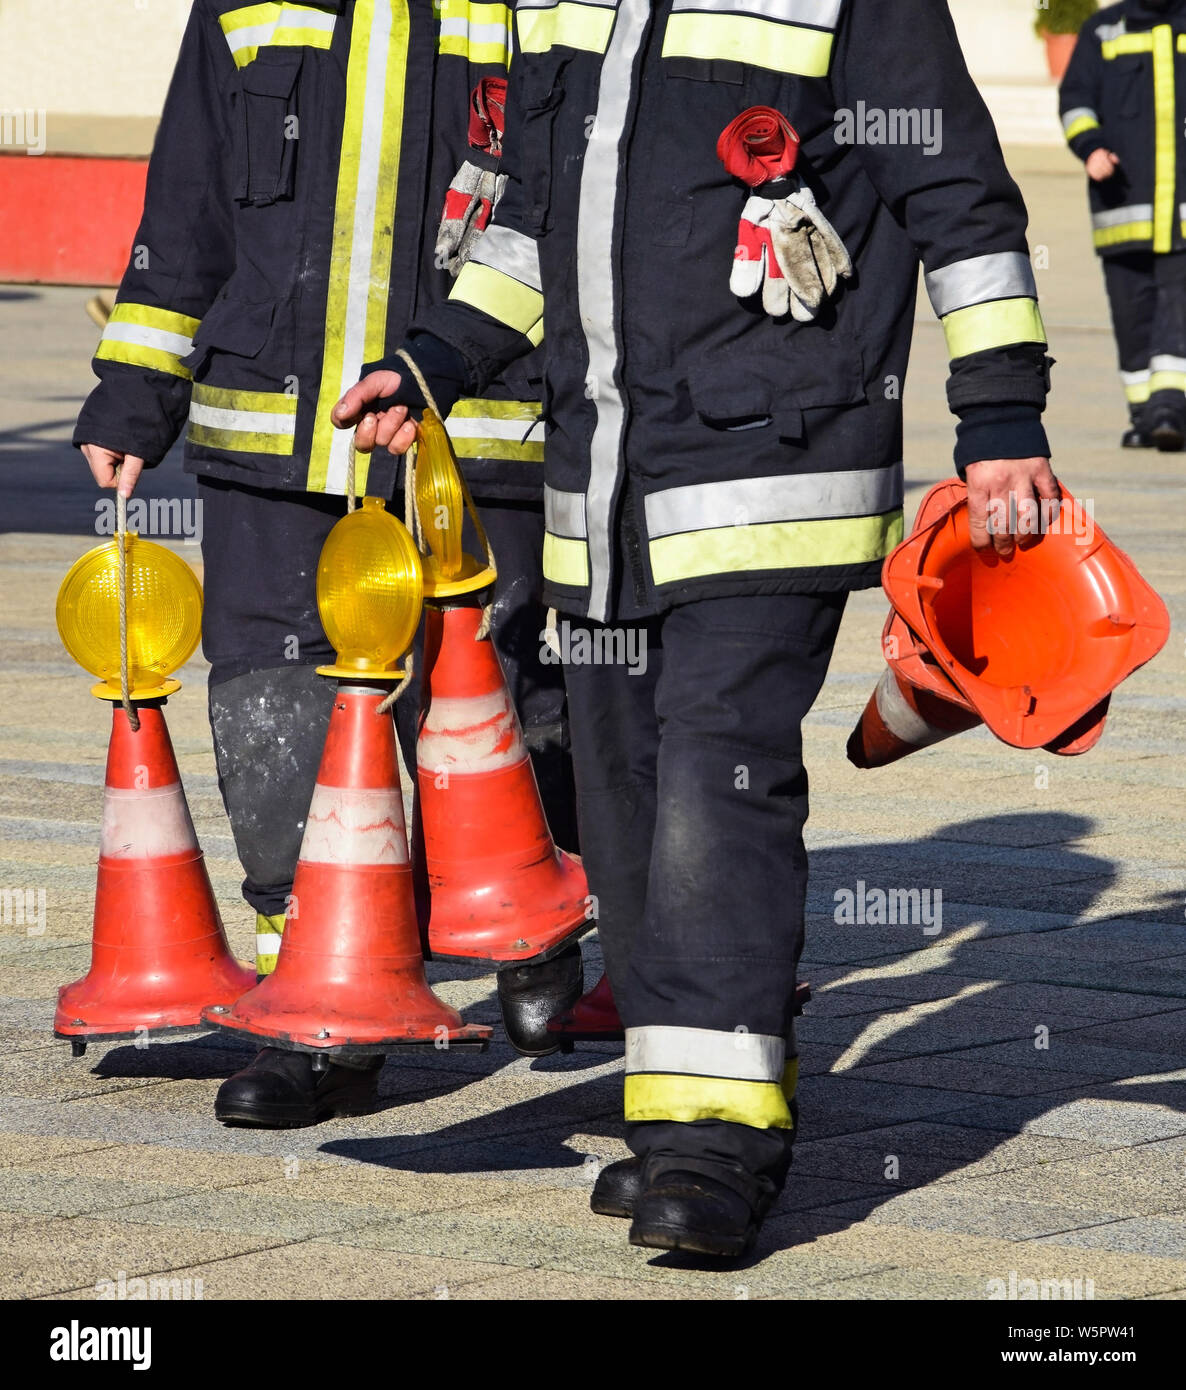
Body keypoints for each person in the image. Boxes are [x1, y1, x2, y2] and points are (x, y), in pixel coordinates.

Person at [336, 0, 1059, 1256]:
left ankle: (721, 1148)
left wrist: (999, 416)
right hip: (603, 502)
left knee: (712, 790)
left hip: (775, 479)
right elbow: (528, 220)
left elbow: (962, 200)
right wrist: (436, 357)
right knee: (620, 799)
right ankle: (677, 1110)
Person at [73, 0, 585, 1129]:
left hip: (477, 428)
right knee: (272, 712)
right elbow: (187, 203)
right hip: (269, 436)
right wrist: (132, 394)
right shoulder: (250, 8)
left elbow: (572, 195)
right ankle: (318, 1006)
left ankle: (535, 921)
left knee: (491, 699)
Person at [1061, 0, 1186, 450]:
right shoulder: (1102, 31)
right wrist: (1090, 147)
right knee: (1131, 317)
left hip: (1183, 215)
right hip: (1123, 208)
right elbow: (1075, 100)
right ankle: (1142, 414)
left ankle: (1170, 407)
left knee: (1179, 308)